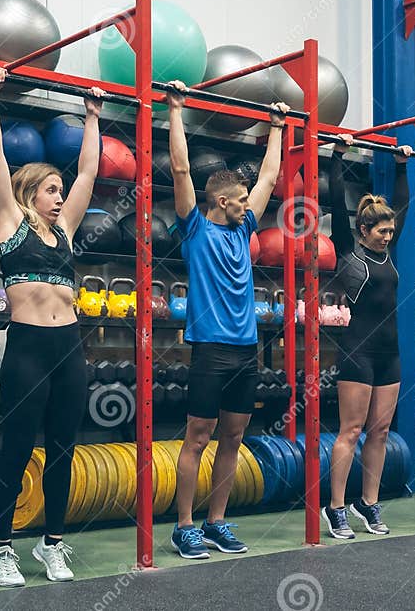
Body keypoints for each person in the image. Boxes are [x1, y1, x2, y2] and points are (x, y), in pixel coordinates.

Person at [0, 64, 105, 586]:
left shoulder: (67, 231)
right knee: (16, 447)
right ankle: (2, 547)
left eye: (60, 190)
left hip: (68, 347)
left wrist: (93, 114)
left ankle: (52, 545)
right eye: (51, 190)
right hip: (28, 347)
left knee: (63, 448)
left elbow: (90, 173)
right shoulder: (10, 224)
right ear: (30, 193)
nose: (61, 197)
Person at [165, 79, 289, 559]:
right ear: (222, 201)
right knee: (198, 438)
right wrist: (176, 108)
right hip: (211, 350)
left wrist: (276, 127)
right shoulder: (195, 226)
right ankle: (185, 526)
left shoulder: (244, 229)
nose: (249, 204)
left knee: (234, 436)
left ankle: (217, 521)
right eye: (240, 200)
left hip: (245, 349)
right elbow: (179, 167)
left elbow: (269, 181)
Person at [322, 135, 414, 539]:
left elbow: (405, 208)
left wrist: (400, 165)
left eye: (391, 231)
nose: (388, 236)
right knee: (351, 431)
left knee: (379, 432)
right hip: (357, 351)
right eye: (381, 231)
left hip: (390, 354)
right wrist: (338, 156)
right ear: (363, 230)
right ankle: (336, 507)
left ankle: (369, 502)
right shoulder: (349, 252)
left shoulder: (389, 256)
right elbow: (336, 203)